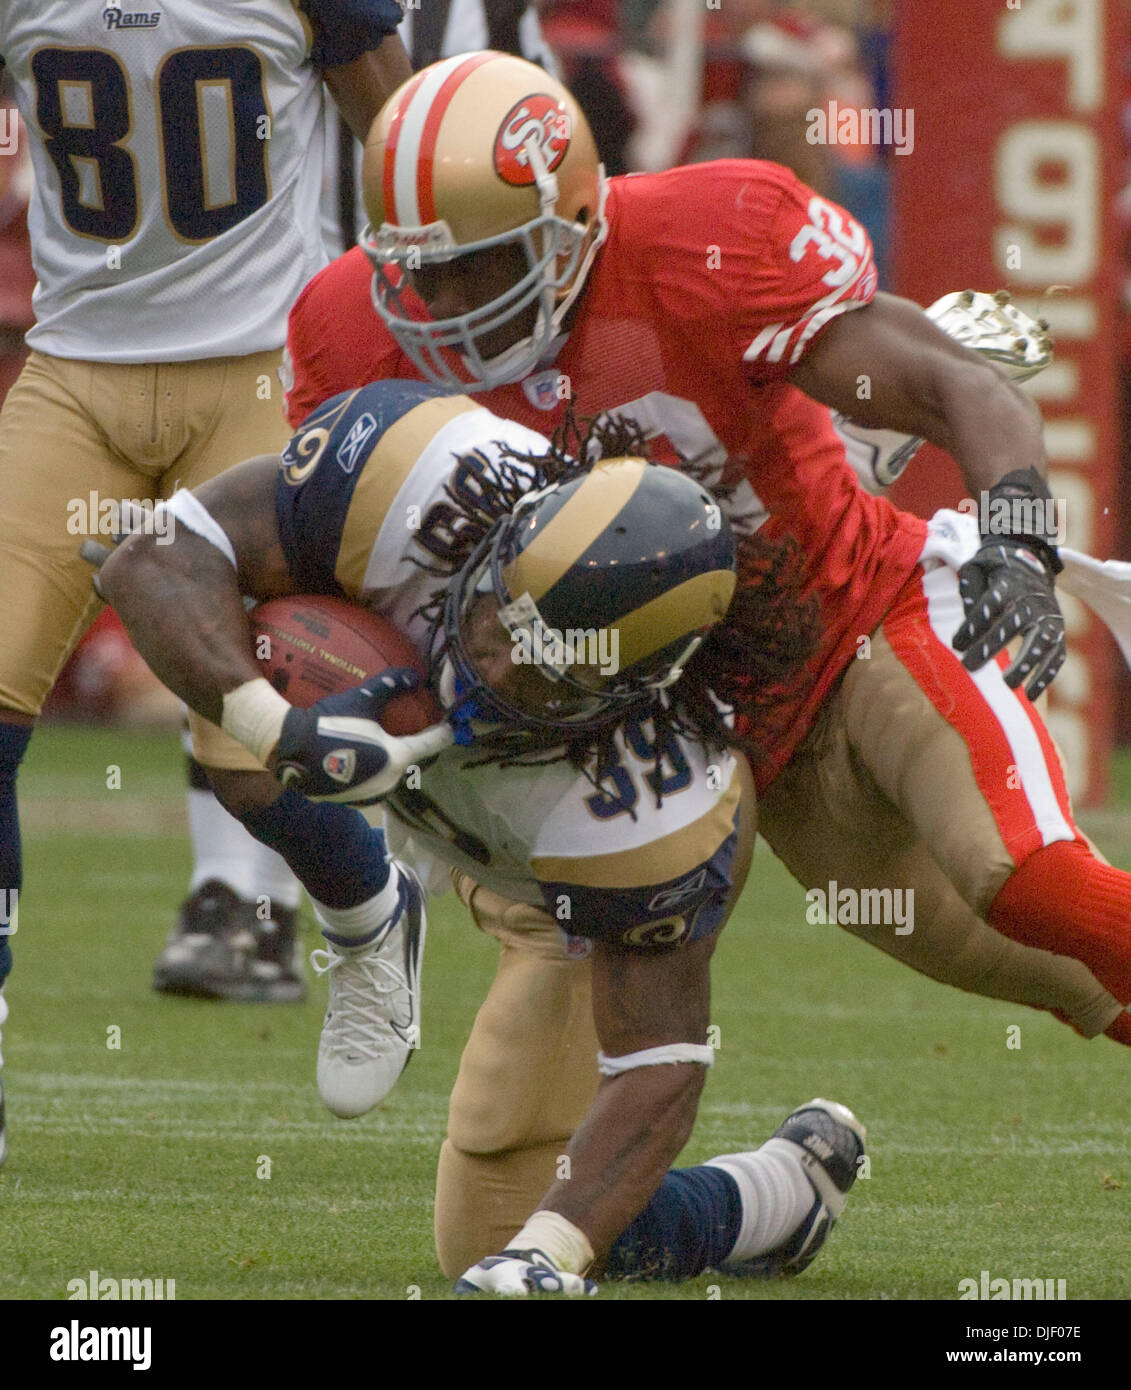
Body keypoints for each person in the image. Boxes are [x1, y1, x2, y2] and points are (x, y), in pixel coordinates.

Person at [281, 50, 1131, 1091]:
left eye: (487, 263)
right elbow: (321, 559)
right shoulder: (346, 331)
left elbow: (963, 385)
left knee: (1025, 878)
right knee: (1077, 983)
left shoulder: (705, 242)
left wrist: (1019, 541)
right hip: (713, 739)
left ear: (573, 223)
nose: (450, 300)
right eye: (425, 269)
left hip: (863, 617)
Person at [99, 375, 866, 1292]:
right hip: (426, 779)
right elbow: (156, 558)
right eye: (503, 613)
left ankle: (779, 1194)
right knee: (246, 652)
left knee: (492, 1229)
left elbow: (659, 1067)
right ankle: (365, 909)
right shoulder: (420, 475)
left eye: (542, 667)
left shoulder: (650, 809)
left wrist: (551, 1255)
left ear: (626, 691)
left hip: (543, 886)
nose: (492, 663)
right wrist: (280, 728)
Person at [0, 1, 413, 1164]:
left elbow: (405, 141)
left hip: (259, 373)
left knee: (249, 763)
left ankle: (371, 915)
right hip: (72, 374)